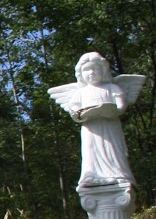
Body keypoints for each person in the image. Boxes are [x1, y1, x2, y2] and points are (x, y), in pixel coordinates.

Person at [47, 52, 145, 188]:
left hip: (110, 124)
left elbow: (121, 106)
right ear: (80, 73)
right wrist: (78, 114)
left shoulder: (112, 88)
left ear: (103, 70)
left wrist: (112, 111)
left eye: (95, 68)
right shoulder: (80, 92)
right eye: (86, 70)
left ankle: (118, 174)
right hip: (91, 127)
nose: (91, 73)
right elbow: (74, 109)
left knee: (112, 148)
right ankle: (91, 175)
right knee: (90, 149)